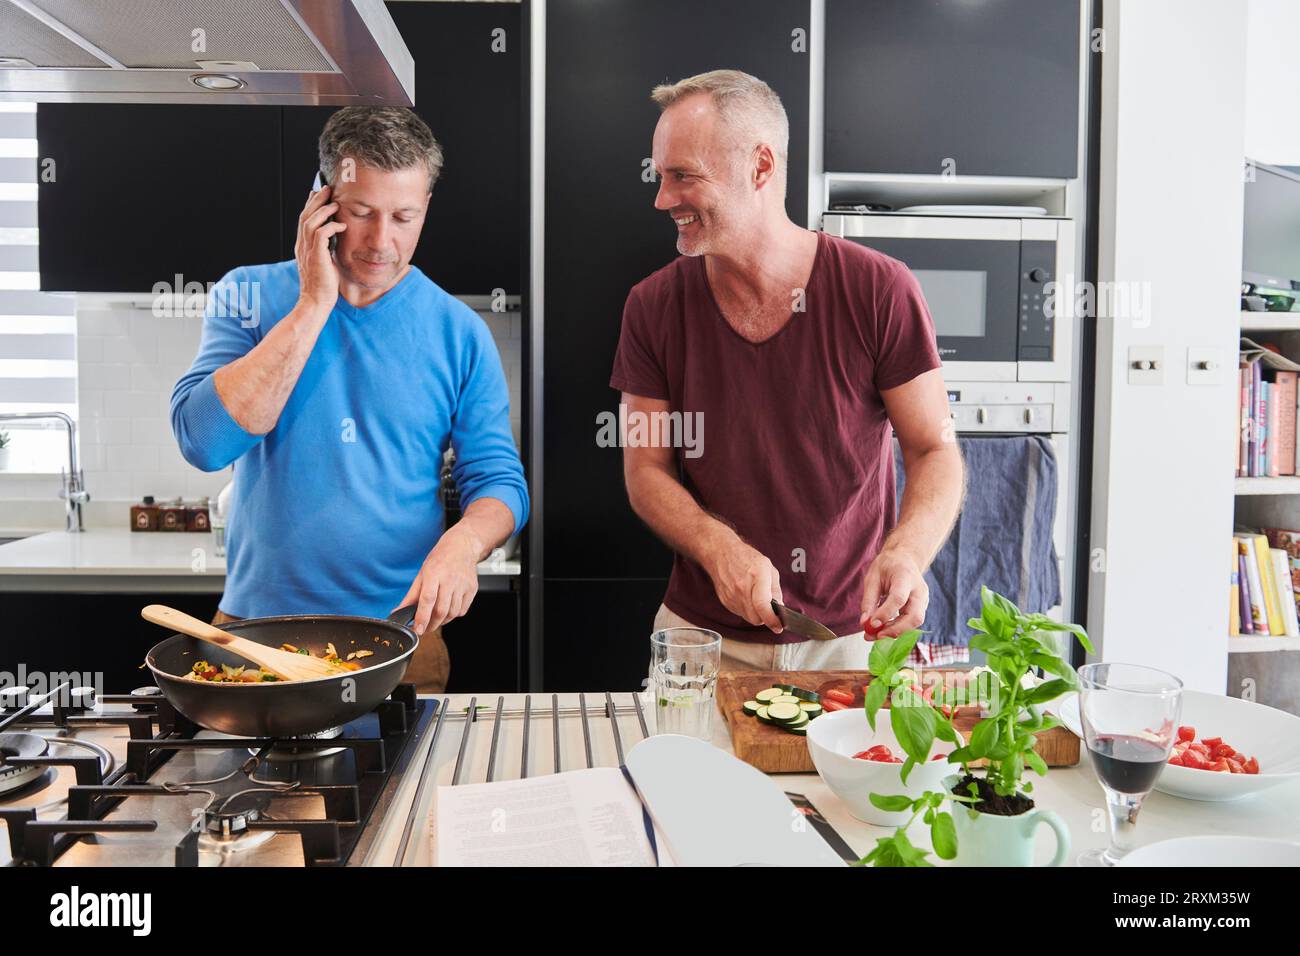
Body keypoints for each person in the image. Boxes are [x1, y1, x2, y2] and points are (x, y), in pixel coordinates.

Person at [609, 70, 964, 672]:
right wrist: (719, 549)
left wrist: (906, 554)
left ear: (761, 166)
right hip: (700, 644)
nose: (662, 198)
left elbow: (934, 449)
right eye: (661, 175)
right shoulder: (652, 306)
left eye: (682, 176)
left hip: (854, 645)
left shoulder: (879, 289)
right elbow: (646, 470)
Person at [171, 107, 528, 692]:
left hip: (401, 638)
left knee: (407, 787)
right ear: (322, 202)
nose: (381, 241)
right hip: (255, 635)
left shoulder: (459, 332)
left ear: (426, 210)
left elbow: (499, 482)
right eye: (361, 213)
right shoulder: (249, 296)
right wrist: (314, 303)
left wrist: (465, 541)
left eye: (403, 216)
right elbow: (206, 443)